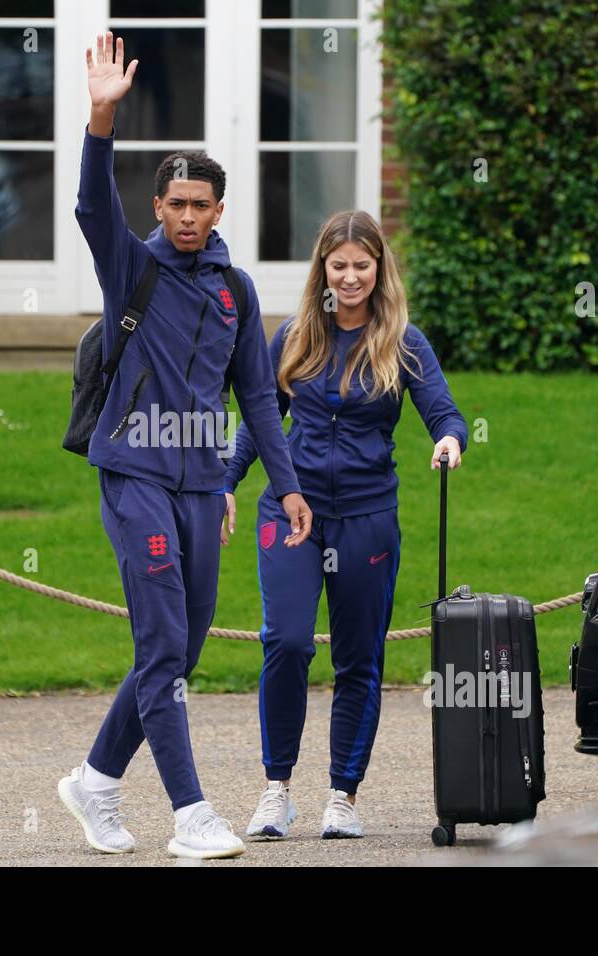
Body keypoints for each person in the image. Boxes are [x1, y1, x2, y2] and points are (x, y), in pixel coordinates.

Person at [57, 32, 313, 860]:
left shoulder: (239, 291)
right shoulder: (130, 266)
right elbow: (94, 205)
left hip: (205, 485)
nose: (189, 216)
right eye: (176, 204)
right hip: (133, 473)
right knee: (162, 646)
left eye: (202, 204)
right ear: (159, 207)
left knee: (184, 647)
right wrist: (102, 117)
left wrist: (289, 484)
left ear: (219, 209)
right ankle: (191, 814)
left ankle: (95, 781)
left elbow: (258, 400)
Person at [220, 210, 468, 840]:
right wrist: (224, 480)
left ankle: (342, 794)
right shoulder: (294, 335)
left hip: (366, 517)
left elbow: (445, 411)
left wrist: (447, 440)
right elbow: (259, 420)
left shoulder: (403, 341)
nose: (352, 277)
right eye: (340, 266)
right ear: (323, 270)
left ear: (379, 269)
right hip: (291, 511)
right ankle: (276, 788)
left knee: (360, 656)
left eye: (363, 265)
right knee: (288, 640)